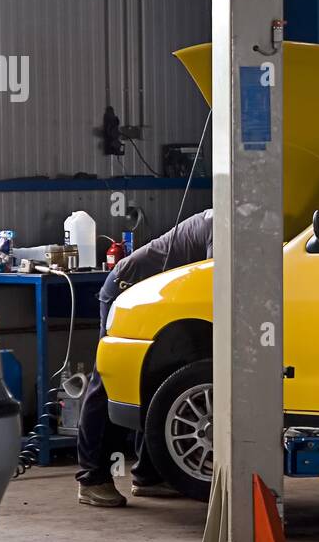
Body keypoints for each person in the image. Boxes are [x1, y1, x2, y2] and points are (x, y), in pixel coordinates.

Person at [77, 209, 215, 507]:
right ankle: (92, 477)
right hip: (129, 288)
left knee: (163, 378)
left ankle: (150, 475)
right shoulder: (226, 222)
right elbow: (217, 282)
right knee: (112, 378)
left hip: (168, 299)